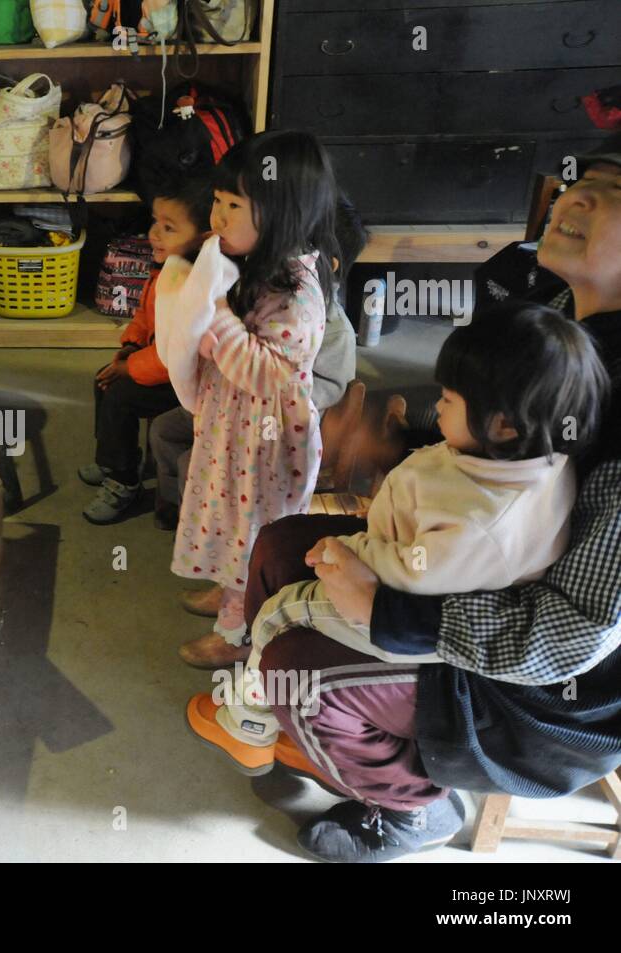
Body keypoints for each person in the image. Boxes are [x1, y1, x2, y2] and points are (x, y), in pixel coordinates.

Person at [240, 134, 621, 862]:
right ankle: (318, 736)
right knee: (282, 544)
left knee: (301, 667)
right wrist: (394, 452)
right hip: (477, 567)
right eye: (587, 180)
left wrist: (394, 614)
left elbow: (575, 635)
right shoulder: (550, 309)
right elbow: (496, 446)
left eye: (614, 195)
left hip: (546, 693)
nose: (576, 196)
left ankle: (415, 811)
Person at [187, 303, 609, 774]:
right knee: (280, 556)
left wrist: (349, 553)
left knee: (279, 616)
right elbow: (448, 469)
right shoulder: (522, 453)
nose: (439, 403)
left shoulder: (485, 527)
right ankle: (281, 714)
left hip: (407, 610)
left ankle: (251, 722)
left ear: (505, 423)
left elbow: (415, 574)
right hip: (403, 570)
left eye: (449, 399)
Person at [159, 131, 341, 650]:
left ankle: (236, 632)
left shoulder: (299, 294)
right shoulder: (256, 266)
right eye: (217, 201)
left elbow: (269, 373)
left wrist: (212, 315)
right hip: (234, 430)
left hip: (265, 442)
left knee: (251, 531)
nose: (217, 216)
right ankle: (227, 592)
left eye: (233, 205)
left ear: (282, 212)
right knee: (227, 514)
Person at [81, 179, 213, 524]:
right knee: (104, 380)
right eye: (155, 221)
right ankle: (111, 458)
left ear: (203, 238)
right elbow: (144, 314)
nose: (155, 233)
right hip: (155, 361)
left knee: (120, 395)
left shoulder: (194, 282)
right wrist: (131, 346)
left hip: (185, 383)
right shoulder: (167, 267)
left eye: (169, 228)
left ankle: (124, 480)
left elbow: (179, 354)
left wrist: (132, 368)